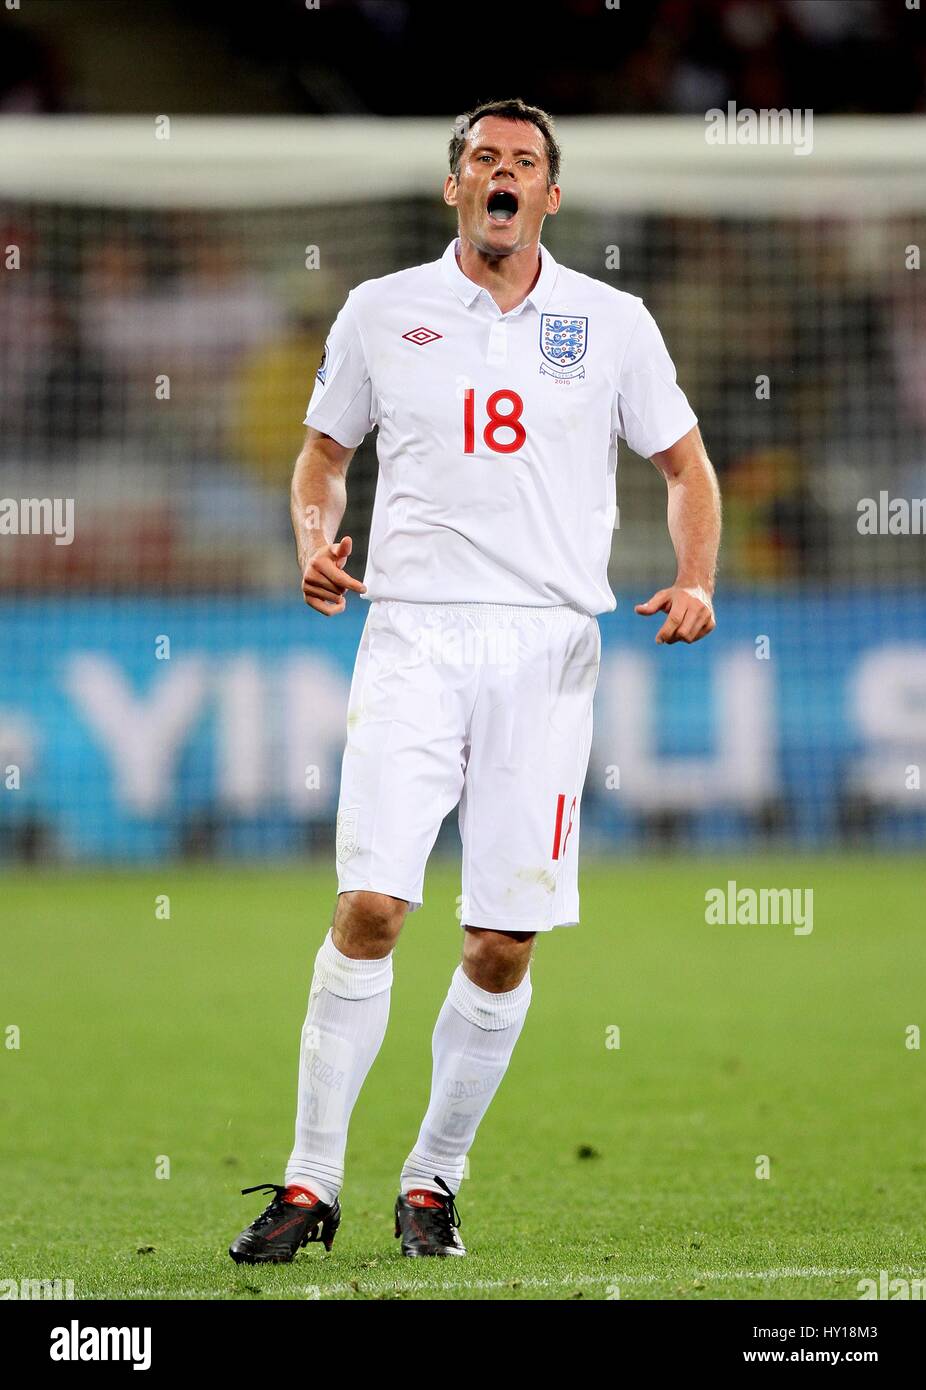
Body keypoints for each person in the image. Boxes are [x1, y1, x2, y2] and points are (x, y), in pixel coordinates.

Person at [230, 97, 720, 1263]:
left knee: (501, 940)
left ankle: (432, 1181)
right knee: (371, 906)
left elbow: (688, 468)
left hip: (546, 650)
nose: (502, 173)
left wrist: (696, 576)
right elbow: (323, 456)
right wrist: (313, 539)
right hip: (412, 634)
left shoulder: (612, 323)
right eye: (482, 159)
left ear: (552, 195)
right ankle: (309, 1181)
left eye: (525, 162)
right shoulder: (379, 310)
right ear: (453, 186)